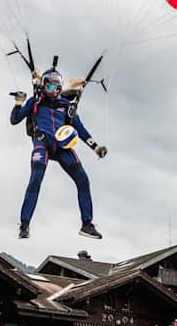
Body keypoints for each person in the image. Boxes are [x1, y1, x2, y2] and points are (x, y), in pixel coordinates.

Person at [11, 68, 107, 239]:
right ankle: (24, 225)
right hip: (42, 144)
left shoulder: (65, 106)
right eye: (50, 88)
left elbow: (81, 129)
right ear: (44, 86)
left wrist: (96, 147)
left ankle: (87, 225)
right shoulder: (35, 102)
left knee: (83, 180)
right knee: (35, 180)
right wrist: (18, 103)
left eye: (57, 88)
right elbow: (15, 120)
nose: (54, 92)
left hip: (62, 147)